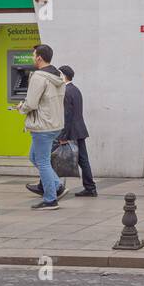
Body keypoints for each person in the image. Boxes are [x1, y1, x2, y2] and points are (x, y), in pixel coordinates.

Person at [17, 45, 65, 210]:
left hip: (43, 126)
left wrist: (21, 108)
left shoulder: (38, 76)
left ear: (39, 58)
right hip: (55, 124)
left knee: (42, 162)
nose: (32, 58)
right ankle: (57, 184)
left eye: (33, 55)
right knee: (34, 157)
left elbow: (31, 103)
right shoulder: (58, 75)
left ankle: (51, 199)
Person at [57, 66, 96, 197]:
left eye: (59, 74)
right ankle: (90, 187)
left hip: (72, 131)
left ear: (63, 75)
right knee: (83, 159)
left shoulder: (66, 92)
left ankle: (89, 187)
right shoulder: (75, 89)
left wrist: (63, 135)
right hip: (79, 129)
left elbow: (67, 115)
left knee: (78, 159)